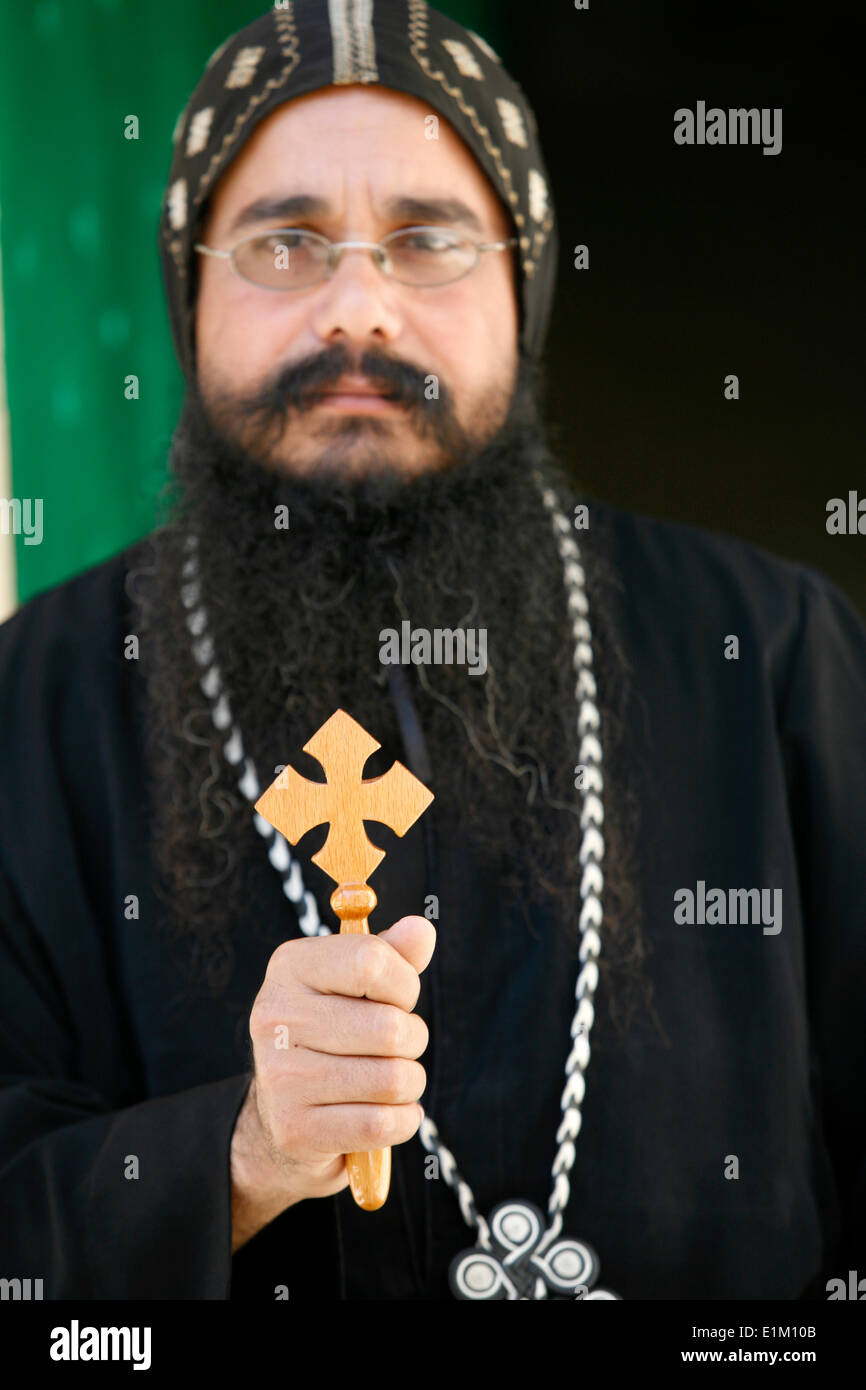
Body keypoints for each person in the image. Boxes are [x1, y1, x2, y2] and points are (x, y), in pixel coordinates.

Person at [0, 0, 863, 1302]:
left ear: (525, 287)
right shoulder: (38, 698)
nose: (359, 310)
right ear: (189, 293)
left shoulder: (771, 652)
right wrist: (234, 1159)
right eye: (285, 242)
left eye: (427, 241)